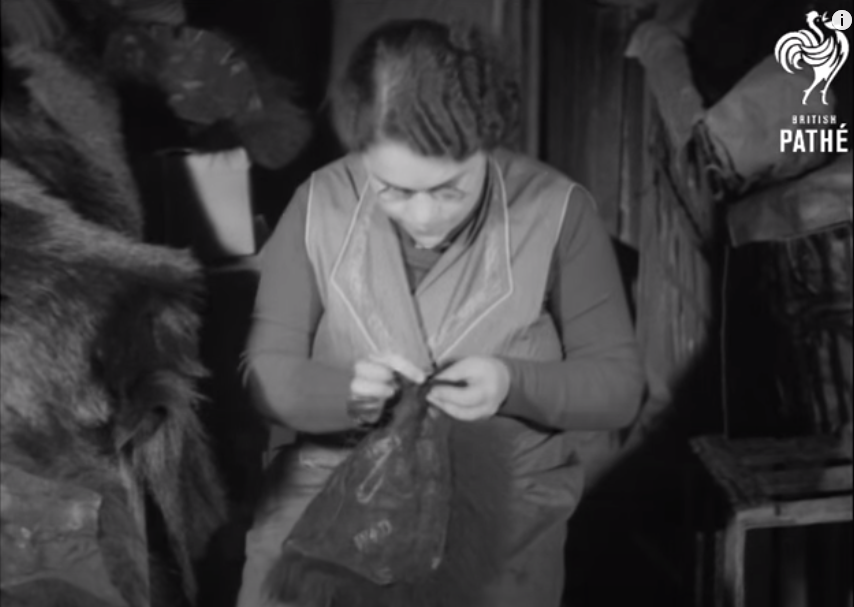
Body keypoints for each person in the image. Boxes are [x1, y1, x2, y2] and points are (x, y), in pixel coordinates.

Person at [236, 18, 644, 607]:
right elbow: (265, 371)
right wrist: (346, 392)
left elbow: (617, 387)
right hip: (332, 483)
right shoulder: (319, 204)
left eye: (451, 188)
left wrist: (511, 383)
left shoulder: (557, 212)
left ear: (489, 143)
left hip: (500, 499)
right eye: (392, 190)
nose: (424, 217)